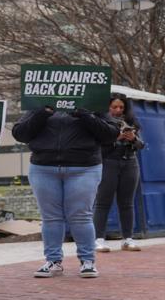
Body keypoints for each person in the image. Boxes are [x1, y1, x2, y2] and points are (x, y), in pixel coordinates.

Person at [10, 100, 116, 279]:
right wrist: (42, 113)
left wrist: (84, 114)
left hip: (84, 168)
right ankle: (53, 261)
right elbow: (20, 134)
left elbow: (110, 134)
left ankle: (87, 261)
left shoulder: (94, 104)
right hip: (43, 167)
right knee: (50, 217)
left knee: (81, 215)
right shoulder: (41, 105)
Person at [92, 93, 145, 253]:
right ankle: (98, 239)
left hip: (129, 162)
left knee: (127, 203)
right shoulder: (100, 122)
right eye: (114, 107)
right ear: (107, 107)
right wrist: (116, 137)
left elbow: (141, 145)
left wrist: (133, 138)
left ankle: (127, 239)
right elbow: (97, 144)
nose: (118, 110)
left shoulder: (130, 122)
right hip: (108, 162)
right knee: (103, 202)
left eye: (121, 107)